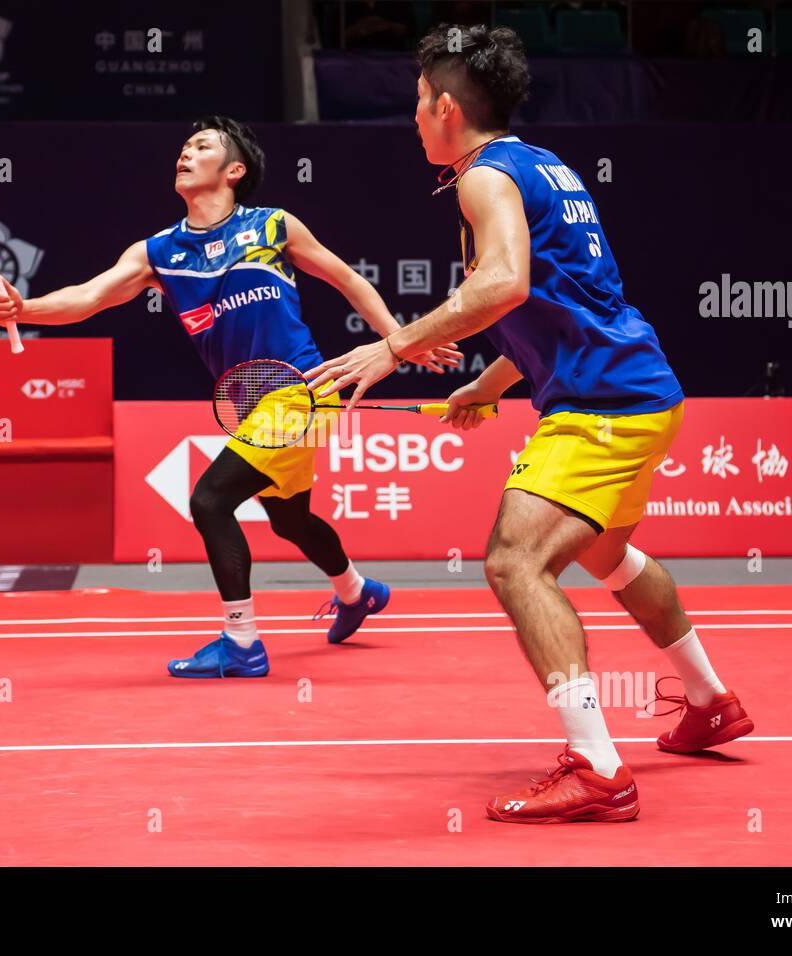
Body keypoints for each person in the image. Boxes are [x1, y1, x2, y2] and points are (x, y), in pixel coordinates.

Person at [306, 25, 752, 822]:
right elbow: (562, 302)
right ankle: (710, 699)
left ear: (447, 106)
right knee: (611, 554)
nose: (412, 117)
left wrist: (396, 344)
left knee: (515, 563)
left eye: (416, 102)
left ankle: (598, 768)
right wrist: (483, 383)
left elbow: (505, 284)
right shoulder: (545, 166)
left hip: (603, 407)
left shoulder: (484, 179)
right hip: (643, 391)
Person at [0, 115, 460, 679]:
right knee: (289, 518)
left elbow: (348, 280)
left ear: (234, 170)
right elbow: (91, 296)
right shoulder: (158, 251)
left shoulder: (272, 226)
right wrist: (27, 308)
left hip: (303, 390)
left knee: (210, 500)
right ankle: (358, 592)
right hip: (251, 404)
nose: (185, 153)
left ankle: (241, 642)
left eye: (202, 146)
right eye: (184, 145)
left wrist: (399, 343)